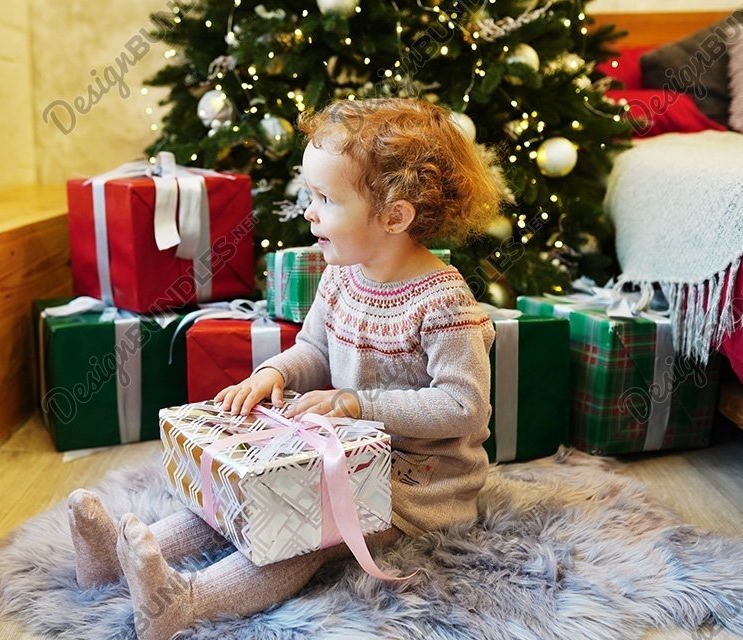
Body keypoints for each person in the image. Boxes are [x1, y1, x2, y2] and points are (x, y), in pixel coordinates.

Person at [66, 97, 503, 640]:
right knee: (247, 495)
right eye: (310, 195)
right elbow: (315, 349)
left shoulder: (444, 304)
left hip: (421, 486)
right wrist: (271, 374)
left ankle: (186, 602)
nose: (309, 212)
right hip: (350, 449)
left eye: (326, 199)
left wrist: (356, 403)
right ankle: (113, 558)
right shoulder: (342, 276)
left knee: (304, 525)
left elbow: (463, 407)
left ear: (395, 216)